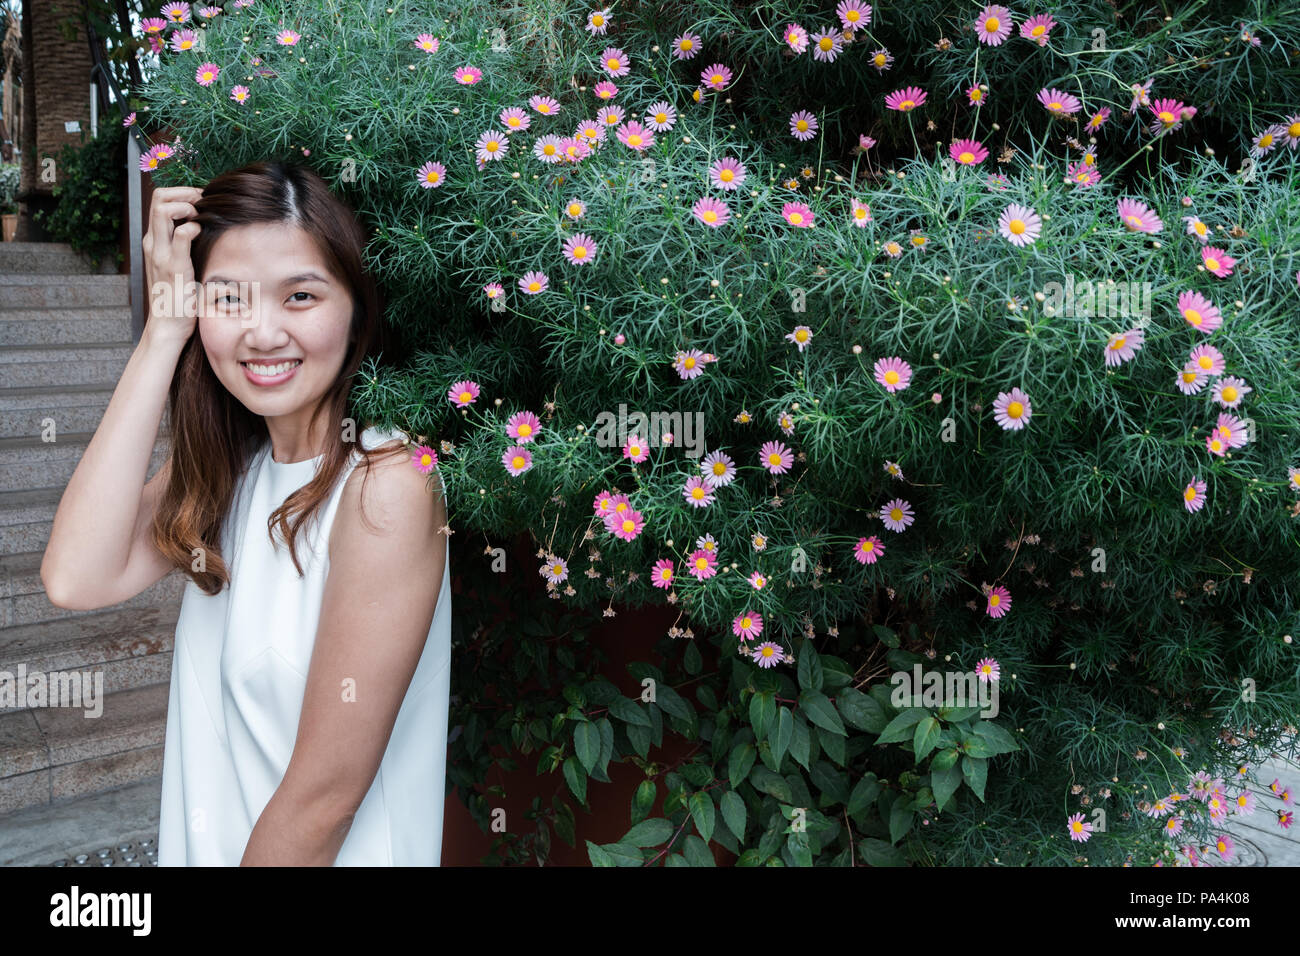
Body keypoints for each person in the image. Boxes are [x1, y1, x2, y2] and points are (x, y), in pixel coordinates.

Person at [40, 160, 452, 865]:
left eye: (299, 296)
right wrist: (164, 334)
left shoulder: (386, 483)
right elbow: (75, 577)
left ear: (355, 308)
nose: (262, 334)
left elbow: (322, 802)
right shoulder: (235, 466)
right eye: (228, 299)